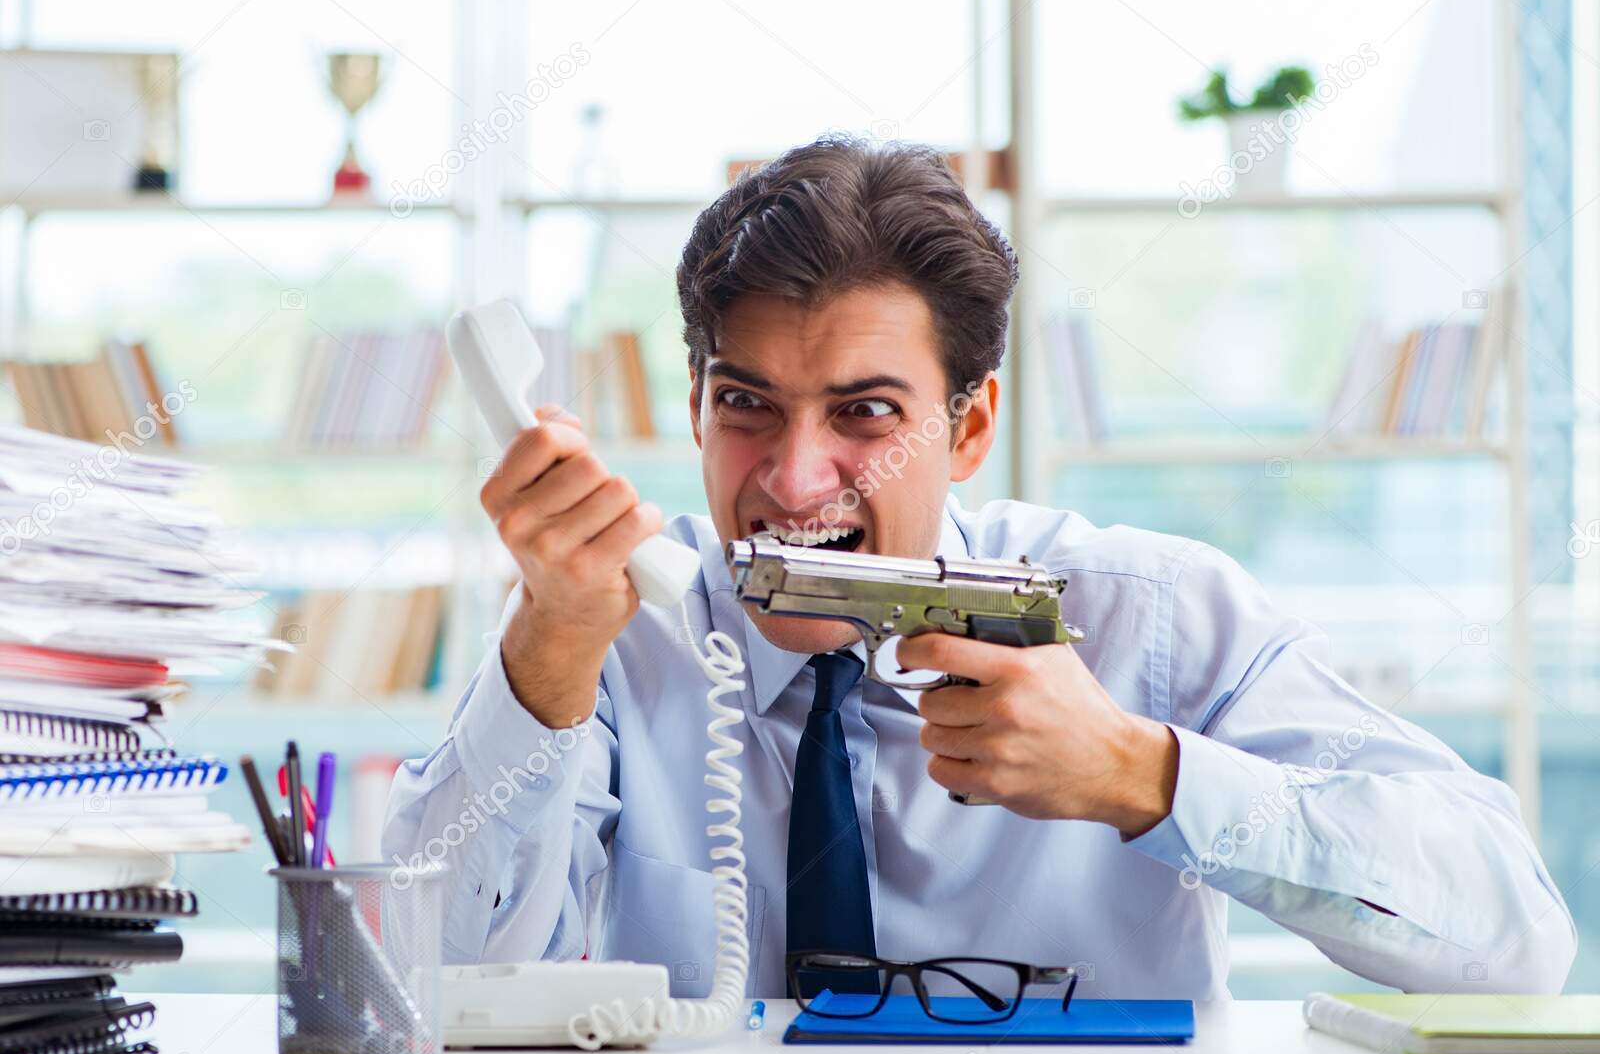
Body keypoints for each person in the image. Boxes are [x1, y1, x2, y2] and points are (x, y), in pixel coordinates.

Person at [384, 136, 1574, 999]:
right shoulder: (607, 625)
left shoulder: (1154, 615)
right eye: (747, 404)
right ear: (694, 407)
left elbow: (1514, 938)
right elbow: (414, 984)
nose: (794, 477)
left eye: (864, 413)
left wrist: (1145, 776)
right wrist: (547, 650)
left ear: (967, 429)